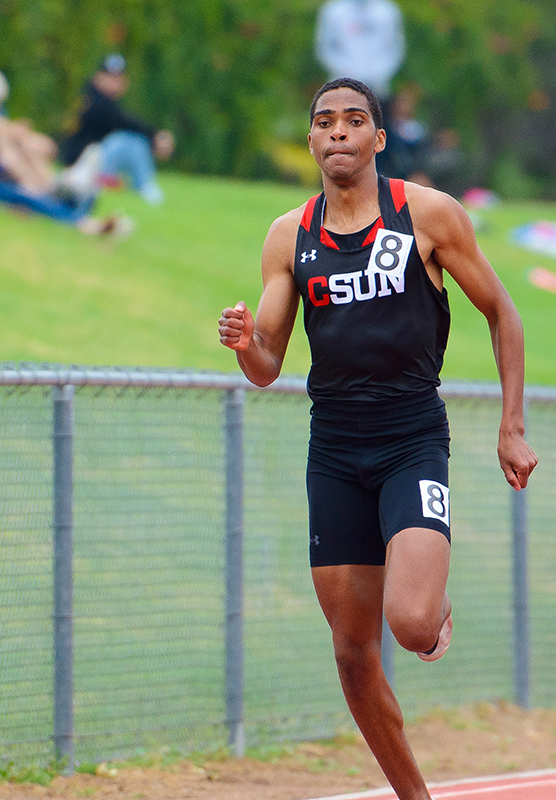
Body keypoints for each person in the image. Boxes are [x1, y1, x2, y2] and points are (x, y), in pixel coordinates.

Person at [217, 77, 537, 800]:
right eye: (324, 122)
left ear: (377, 139)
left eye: (353, 120)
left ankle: (433, 609)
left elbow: (502, 312)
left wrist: (510, 426)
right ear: (310, 141)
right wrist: (244, 343)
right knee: (353, 653)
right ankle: (414, 795)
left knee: (412, 624)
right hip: (332, 448)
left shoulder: (427, 215)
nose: (338, 132)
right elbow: (267, 364)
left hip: (409, 437)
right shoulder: (288, 235)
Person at [0, 65, 123, 235]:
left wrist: (15, 140)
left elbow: (42, 149)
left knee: (24, 187)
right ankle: (79, 221)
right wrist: (4, 139)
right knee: (21, 195)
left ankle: (69, 205)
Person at [57, 54, 174, 205]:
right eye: (109, 77)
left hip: (91, 163)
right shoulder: (93, 102)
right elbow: (123, 122)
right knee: (126, 141)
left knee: (130, 140)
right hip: (81, 165)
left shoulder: (102, 101)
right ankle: (145, 185)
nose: (114, 82)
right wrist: (155, 136)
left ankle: (142, 185)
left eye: (118, 78)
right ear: (97, 77)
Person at [314, 0, 406, 101]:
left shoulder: (387, 11)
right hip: (343, 87)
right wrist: (345, 70)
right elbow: (325, 47)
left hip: (378, 88)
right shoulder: (334, 11)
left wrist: (379, 73)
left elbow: (395, 49)